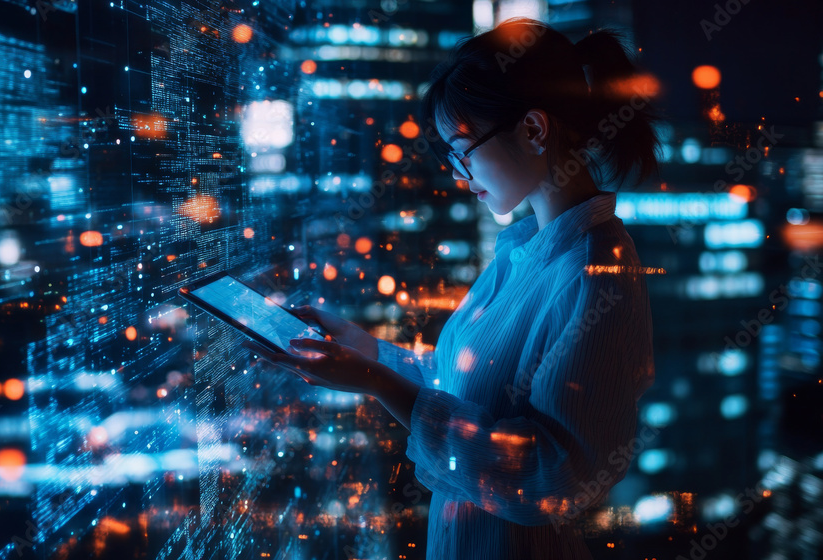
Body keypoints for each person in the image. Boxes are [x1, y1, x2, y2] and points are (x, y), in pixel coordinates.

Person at [244, 17, 662, 559]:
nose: (459, 174)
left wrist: (377, 382)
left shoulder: (591, 271)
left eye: (463, 148)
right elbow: (465, 388)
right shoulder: (523, 251)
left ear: (534, 130)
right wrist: (365, 350)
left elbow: (557, 479)